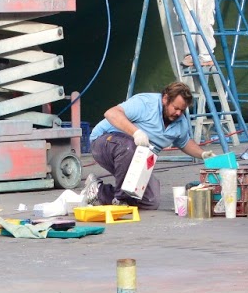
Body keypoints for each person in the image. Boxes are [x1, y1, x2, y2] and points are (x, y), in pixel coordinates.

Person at [85, 81, 206, 209]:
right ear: (165, 99)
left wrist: (203, 154)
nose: (178, 113)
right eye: (175, 108)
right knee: (129, 146)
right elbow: (111, 113)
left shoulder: (180, 123)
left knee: (151, 200)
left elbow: (185, 142)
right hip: (105, 142)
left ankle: (98, 191)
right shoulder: (145, 103)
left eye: (182, 110)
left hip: (136, 157)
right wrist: (136, 132)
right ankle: (120, 200)